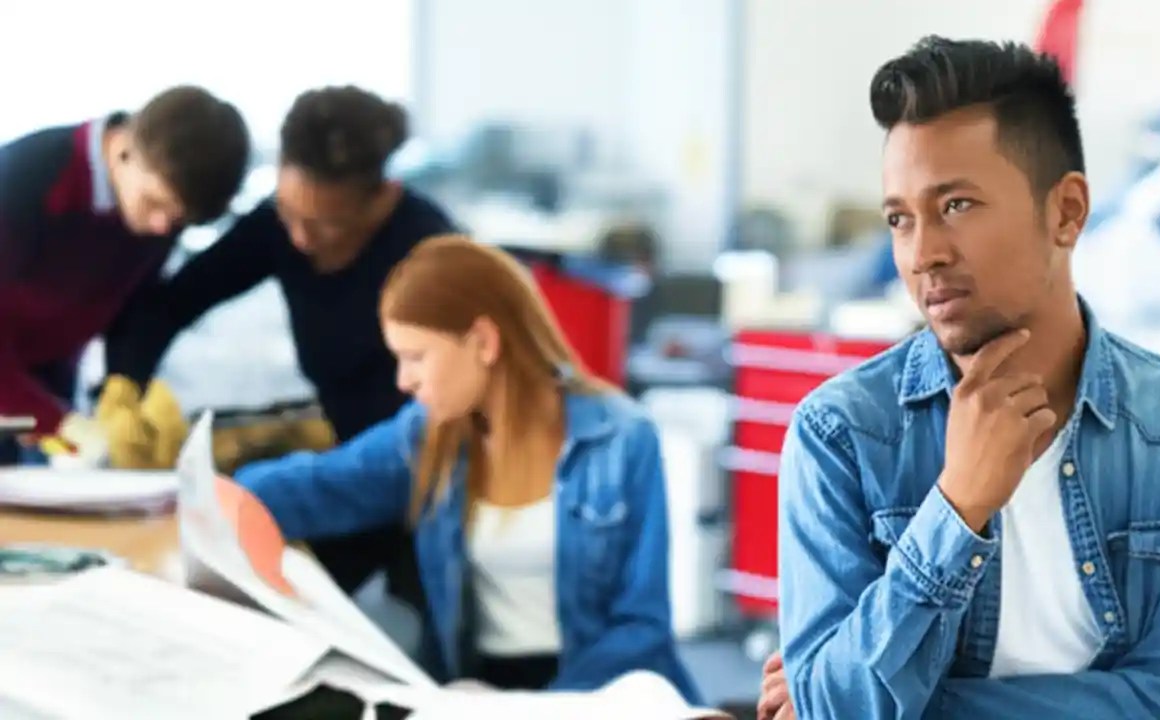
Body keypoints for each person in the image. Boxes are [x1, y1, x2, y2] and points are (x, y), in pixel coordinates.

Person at [767, 36, 1160, 719]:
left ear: (1066, 211)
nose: (922, 254)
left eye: (956, 205)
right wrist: (958, 508)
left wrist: (904, 704)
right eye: (899, 219)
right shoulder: (841, 435)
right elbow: (833, 707)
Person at [228, 236, 701, 699]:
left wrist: (536, 712)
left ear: (483, 342)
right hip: (478, 695)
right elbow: (320, 487)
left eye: (416, 357)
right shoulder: (427, 435)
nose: (403, 381)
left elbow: (641, 627)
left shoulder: (623, 440)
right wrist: (219, 496)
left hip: (601, 697)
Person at [102, 86, 455, 598]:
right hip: (341, 467)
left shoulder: (433, 253)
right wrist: (124, 383)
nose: (300, 239)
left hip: (420, 474)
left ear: (384, 198)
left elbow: (440, 422)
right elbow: (168, 305)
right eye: (289, 213)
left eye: (325, 225)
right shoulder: (280, 228)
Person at [0, 86, 249, 465]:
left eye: (178, 220)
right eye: (155, 203)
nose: (161, 227)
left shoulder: (162, 213)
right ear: (123, 151)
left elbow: (133, 302)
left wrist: (125, 382)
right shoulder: (24, 180)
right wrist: (55, 422)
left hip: (49, 372)